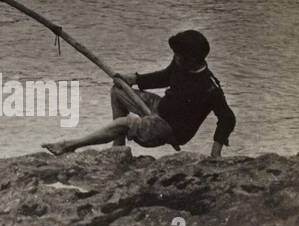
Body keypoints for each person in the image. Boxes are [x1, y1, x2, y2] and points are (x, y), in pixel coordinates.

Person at [42, 29, 235, 158]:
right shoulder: (180, 62)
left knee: (124, 124)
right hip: (160, 108)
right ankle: (119, 148)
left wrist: (215, 155)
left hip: (169, 129)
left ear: (193, 59)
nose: (175, 58)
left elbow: (227, 118)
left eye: (179, 56)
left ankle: (69, 145)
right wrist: (133, 79)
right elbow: (165, 77)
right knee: (119, 90)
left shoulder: (210, 88)